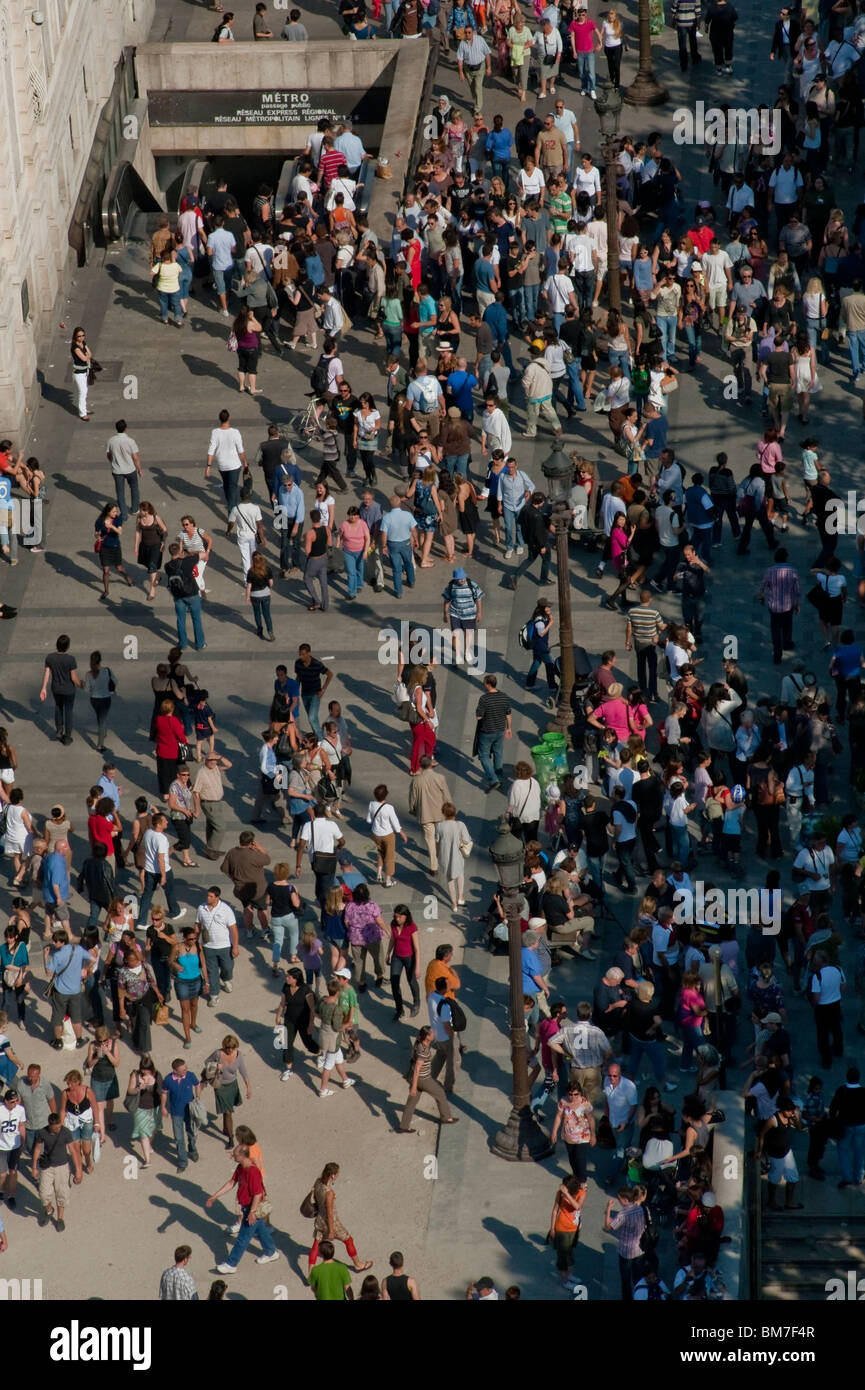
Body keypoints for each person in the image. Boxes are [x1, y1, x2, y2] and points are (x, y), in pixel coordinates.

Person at [207, 1143, 280, 1273]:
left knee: (242, 1238)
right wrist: (214, 1196)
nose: (232, 1156)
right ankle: (271, 1252)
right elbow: (231, 1183)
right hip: (247, 1208)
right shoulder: (240, 1167)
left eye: (234, 1154)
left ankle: (231, 1264)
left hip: (252, 1209)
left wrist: (252, 1212)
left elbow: (257, 1194)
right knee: (261, 1230)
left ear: (242, 1155)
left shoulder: (253, 1172)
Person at [308, 1161, 372, 1271]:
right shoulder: (329, 1193)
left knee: (315, 1245)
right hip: (332, 1223)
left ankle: (310, 1273)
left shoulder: (318, 1182)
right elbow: (330, 1212)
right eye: (337, 1173)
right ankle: (358, 1264)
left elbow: (314, 1197)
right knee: (348, 1240)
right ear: (333, 1175)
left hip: (319, 1221)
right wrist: (332, 1231)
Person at [30, 1112, 74, 1232]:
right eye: (57, 1127)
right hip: (47, 1167)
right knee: (43, 1194)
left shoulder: (65, 1132)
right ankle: (49, 1210)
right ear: (50, 1125)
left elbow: (73, 1150)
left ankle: (60, 1219)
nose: (59, 1128)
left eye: (60, 1125)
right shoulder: (42, 1133)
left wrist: (78, 1170)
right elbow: (37, 1149)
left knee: (62, 1194)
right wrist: (34, 1167)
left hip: (62, 1167)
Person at [39, 634, 82, 746]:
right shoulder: (71, 659)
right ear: (67, 647)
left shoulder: (50, 657)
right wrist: (82, 685)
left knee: (58, 707)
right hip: (69, 690)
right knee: (68, 711)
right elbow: (73, 677)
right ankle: (67, 736)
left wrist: (43, 688)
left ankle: (59, 730)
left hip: (56, 688)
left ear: (57, 645)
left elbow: (47, 673)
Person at [161, 1058, 201, 1172]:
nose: (185, 1070)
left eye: (185, 1068)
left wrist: (197, 1097)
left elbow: (197, 1085)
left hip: (190, 1111)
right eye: (183, 1070)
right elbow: (164, 1094)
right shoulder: (168, 1080)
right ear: (175, 1070)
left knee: (192, 1133)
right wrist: (163, 1107)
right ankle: (182, 1161)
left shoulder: (190, 1076)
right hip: (176, 1112)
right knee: (178, 1138)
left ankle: (192, 1151)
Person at [549, 1175, 588, 1289]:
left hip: (575, 1229)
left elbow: (577, 1206)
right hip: (562, 1229)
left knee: (570, 1253)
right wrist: (552, 1228)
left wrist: (567, 1195)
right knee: (563, 1257)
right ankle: (565, 1281)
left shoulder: (581, 1193)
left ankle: (569, 1275)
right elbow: (555, 1210)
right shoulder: (560, 1194)